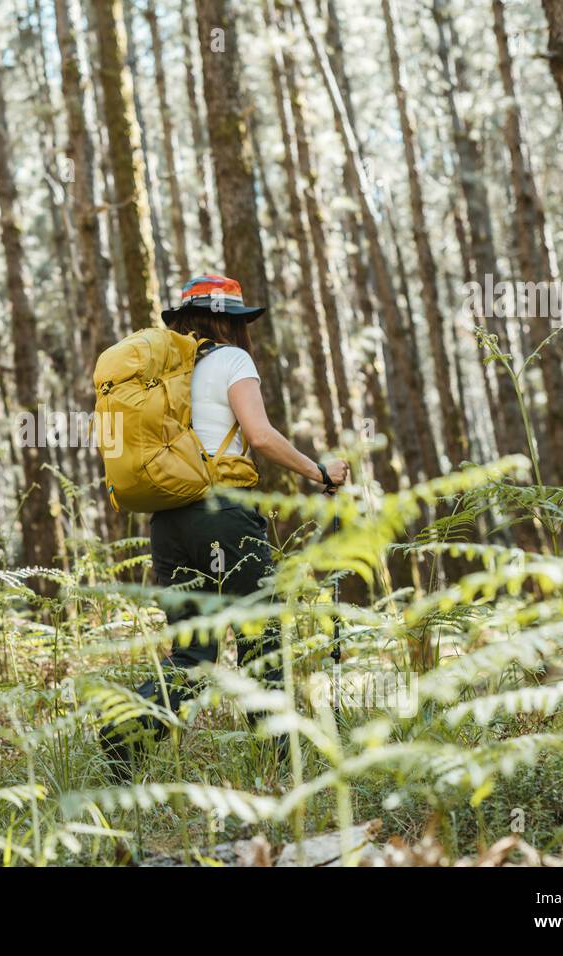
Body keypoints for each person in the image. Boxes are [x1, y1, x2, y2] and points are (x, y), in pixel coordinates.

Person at [103, 274, 349, 769]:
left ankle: (124, 732)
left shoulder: (165, 377)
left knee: (193, 654)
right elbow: (259, 436)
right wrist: (318, 471)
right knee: (262, 639)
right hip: (223, 516)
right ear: (226, 321)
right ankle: (279, 768)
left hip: (168, 523)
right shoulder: (233, 360)